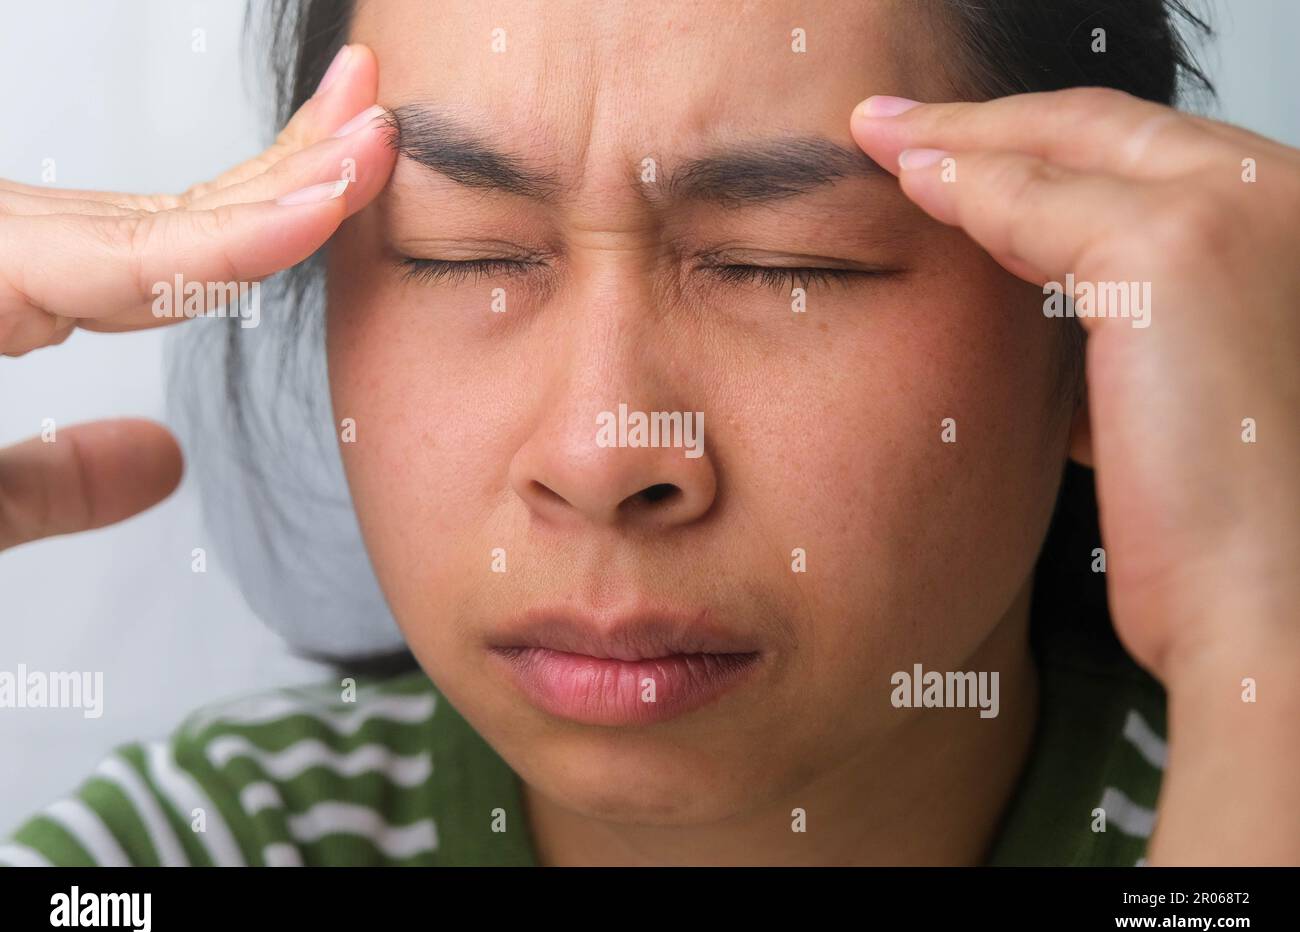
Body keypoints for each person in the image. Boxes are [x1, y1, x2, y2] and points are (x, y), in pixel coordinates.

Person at [1, 0, 1296, 866]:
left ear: (1098, 327)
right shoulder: (210, 845)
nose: (602, 453)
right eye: (465, 256)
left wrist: (1266, 653)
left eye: (795, 266)